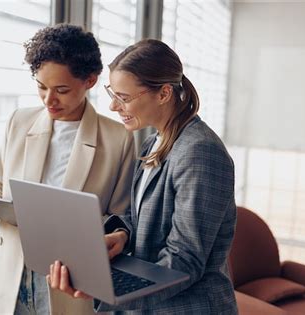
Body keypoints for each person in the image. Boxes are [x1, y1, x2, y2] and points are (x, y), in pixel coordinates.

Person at [48, 39, 238, 314]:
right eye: (113, 94)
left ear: (163, 94)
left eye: (123, 98)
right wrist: (122, 234)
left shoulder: (200, 152)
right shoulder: (154, 142)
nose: (113, 106)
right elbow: (142, 218)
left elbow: (185, 260)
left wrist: (104, 288)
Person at [0, 24, 135, 315]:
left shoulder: (118, 138)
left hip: (69, 282)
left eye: (61, 90)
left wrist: (112, 235)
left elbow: (120, 216)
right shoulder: (19, 121)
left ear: (90, 81)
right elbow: (1, 189)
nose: (48, 100)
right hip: (11, 273)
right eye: (41, 86)